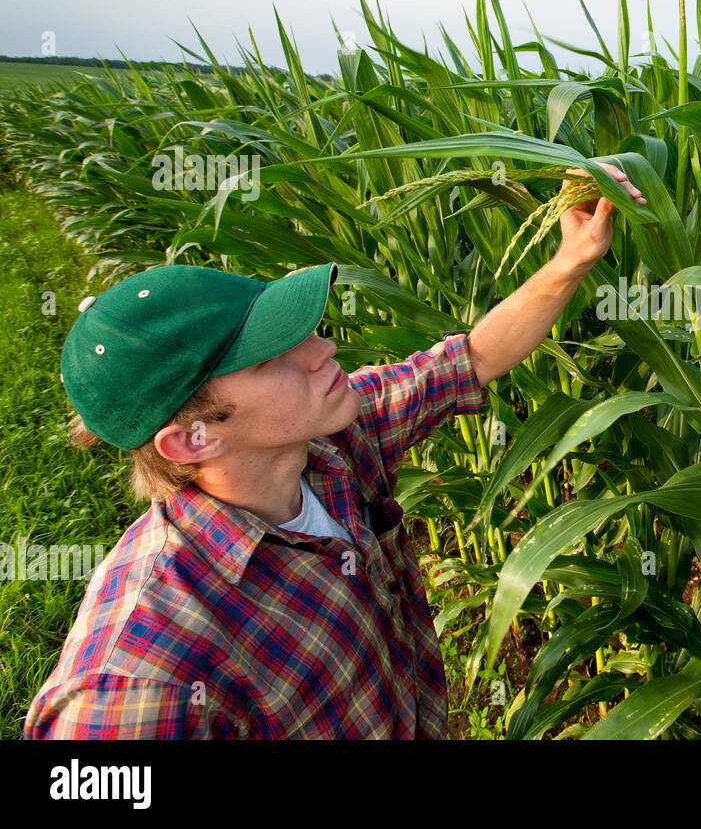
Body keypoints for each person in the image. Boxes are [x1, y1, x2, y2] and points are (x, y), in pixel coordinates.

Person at [23, 163, 646, 738]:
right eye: (271, 357)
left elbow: (472, 359)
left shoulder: (330, 442)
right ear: (194, 438)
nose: (322, 350)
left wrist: (572, 258)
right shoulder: (140, 673)